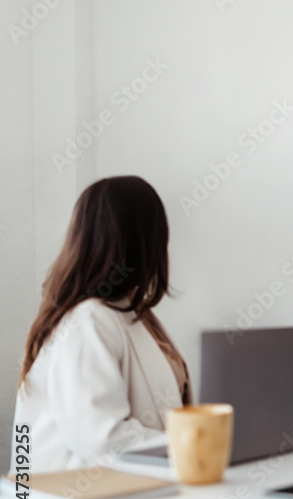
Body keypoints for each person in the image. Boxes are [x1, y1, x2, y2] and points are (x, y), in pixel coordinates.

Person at [13, 176, 190, 473]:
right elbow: (100, 438)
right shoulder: (89, 321)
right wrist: (190, 444)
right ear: (144, 239)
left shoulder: (132, 315)